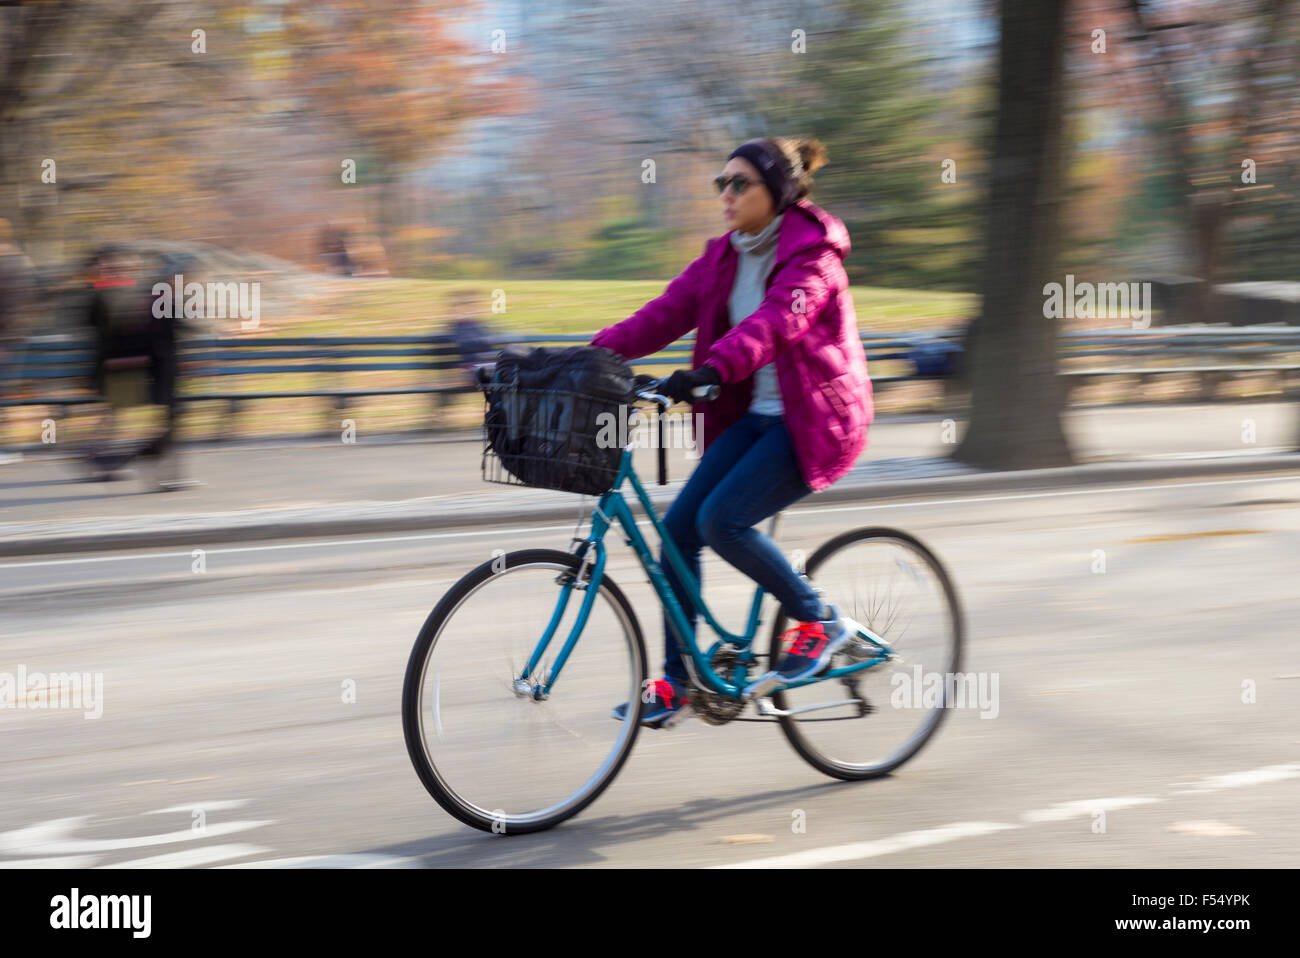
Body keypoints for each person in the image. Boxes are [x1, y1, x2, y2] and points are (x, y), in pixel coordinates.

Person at [590, 136, 873, 727]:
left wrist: (713, 369)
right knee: (677, 532)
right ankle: (678, 682)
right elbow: (662, 314)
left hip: (815, 419)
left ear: (779, 192)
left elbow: (777, 322)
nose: (726, 193)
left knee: (723, 521)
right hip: (756, 417)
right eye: (721, 183)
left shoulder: (813, 256)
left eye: (739, 183)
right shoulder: (725, 255)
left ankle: (820, 621)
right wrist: (582, 358)